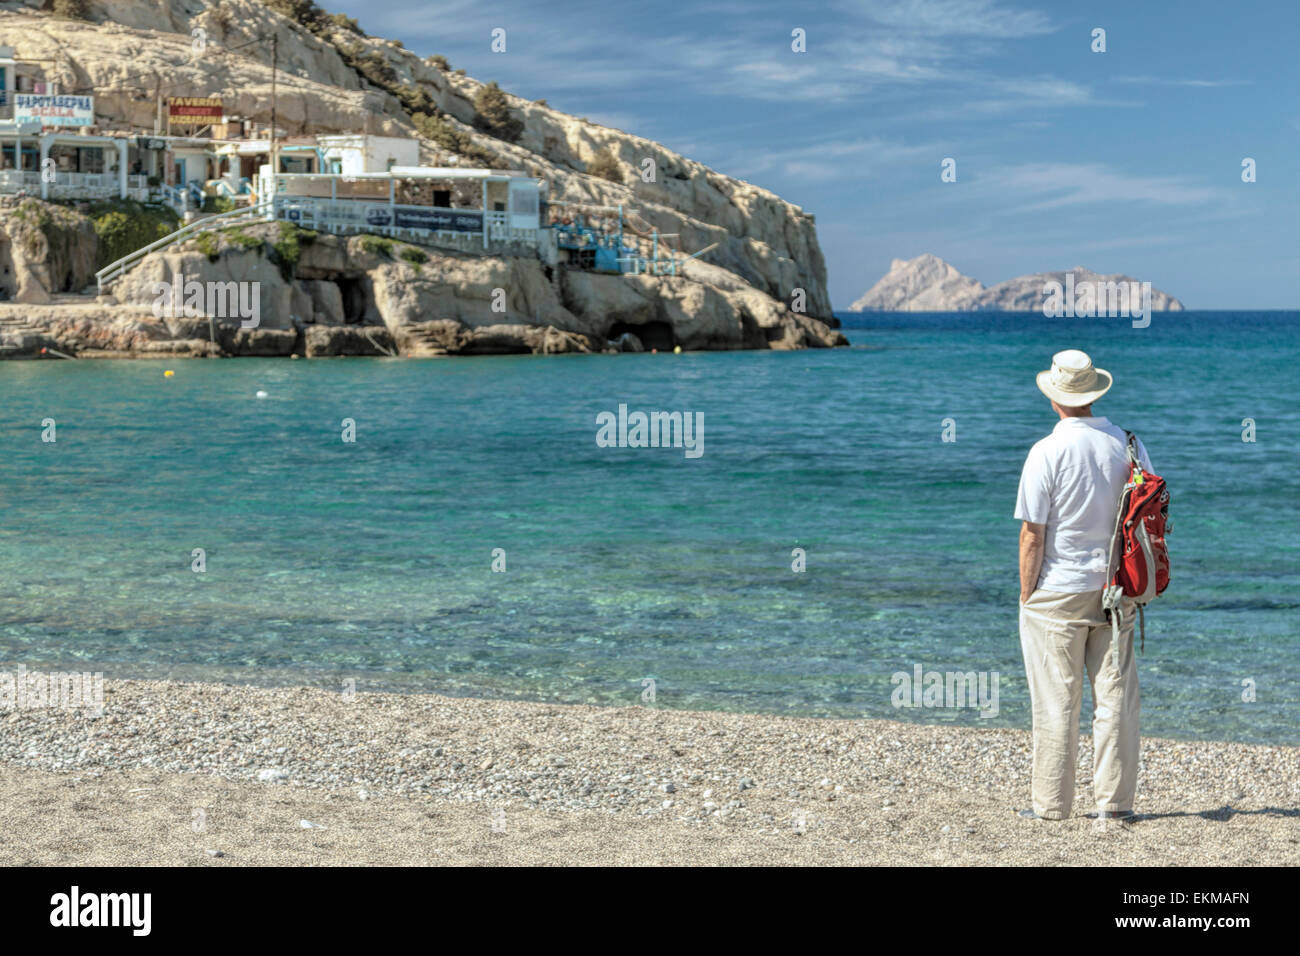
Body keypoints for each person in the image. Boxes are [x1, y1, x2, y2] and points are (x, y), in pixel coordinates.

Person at [1014, 349, 1151, 822]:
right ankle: (1114, 806)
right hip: (1118, 587)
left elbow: (1033, 536)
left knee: (1057, 700)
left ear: (1055, 399)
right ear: (1094, 395)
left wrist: (1027, 595)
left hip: (1058, 590)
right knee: (1114, 700)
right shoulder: (1129, 444)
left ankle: (1052, 806)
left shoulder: (1046, 452)